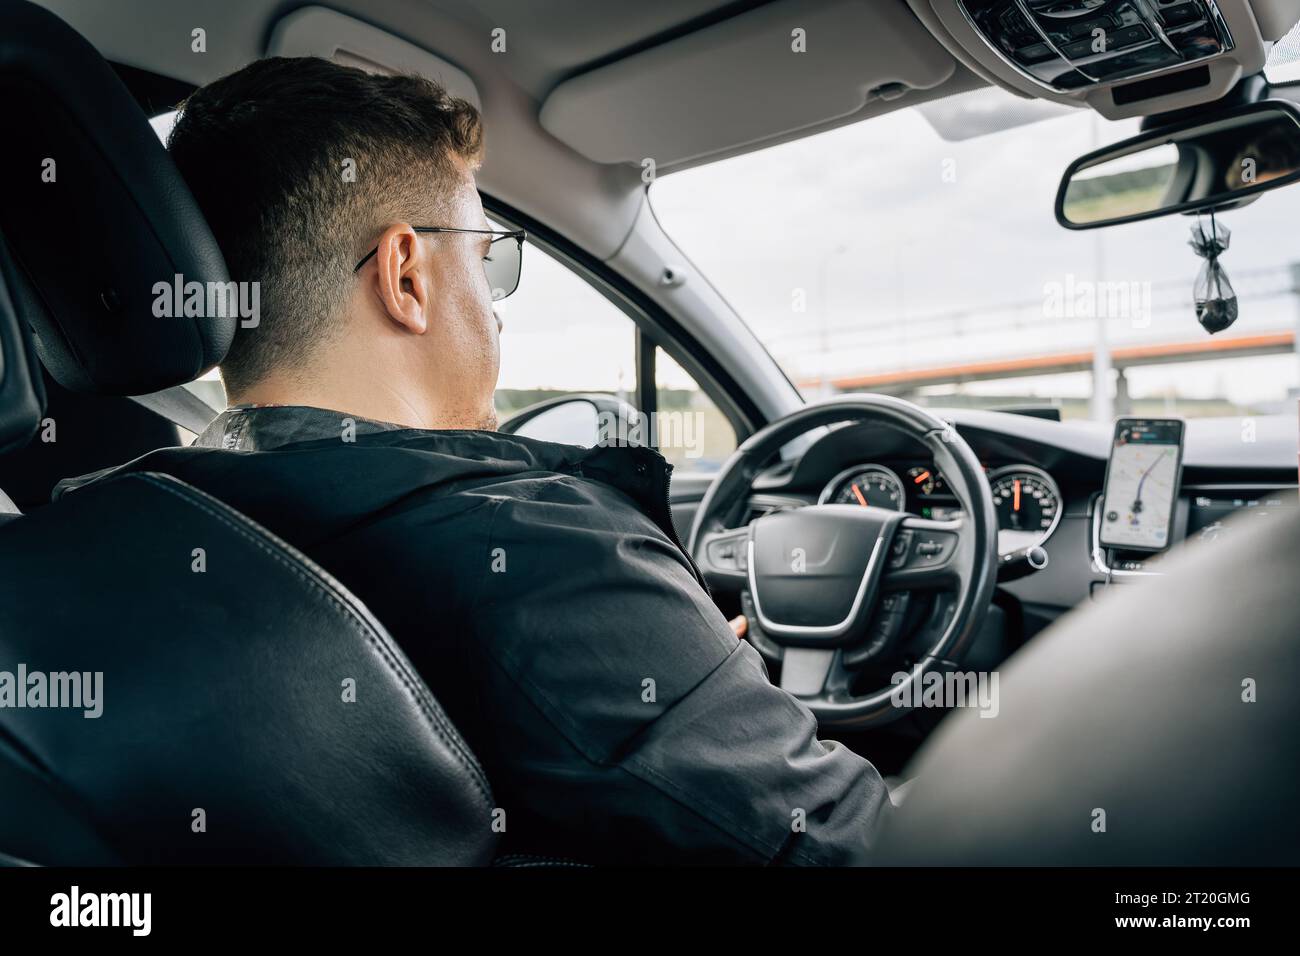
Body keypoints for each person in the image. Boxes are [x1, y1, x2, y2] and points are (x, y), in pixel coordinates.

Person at [65, 57, 890, 864]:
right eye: (486, 259)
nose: (496, 312)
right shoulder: (551, 563)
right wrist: (717, 681)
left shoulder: (93, 536)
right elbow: (849, 840)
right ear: (406, 276)